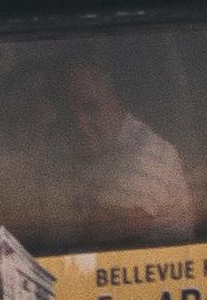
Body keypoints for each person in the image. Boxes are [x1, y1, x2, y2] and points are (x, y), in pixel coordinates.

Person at [46, 56, 194, 248]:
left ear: (116, 100)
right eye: (68, 112)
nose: (80, 124)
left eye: (91, 108)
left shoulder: (149, 152)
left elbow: (102, 233)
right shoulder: (63, 147)